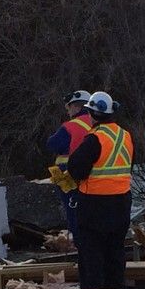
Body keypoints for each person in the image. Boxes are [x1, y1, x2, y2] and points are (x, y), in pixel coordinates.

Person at [66, 91, 134, 289]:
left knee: (91, 253)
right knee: (115, 250)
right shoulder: (125, 136)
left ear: (92, 114)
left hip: (94, 204)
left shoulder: (95, 139)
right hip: (121, 203)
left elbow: (76, 167)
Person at [46, 90, 93, 239]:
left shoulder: (72, 125)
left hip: (71, 176)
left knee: (75, 214)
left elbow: (52, 144)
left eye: (68, 108)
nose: (68, 112)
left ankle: (82, 248)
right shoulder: (99, 123)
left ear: (76, 107)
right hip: (96, 178)